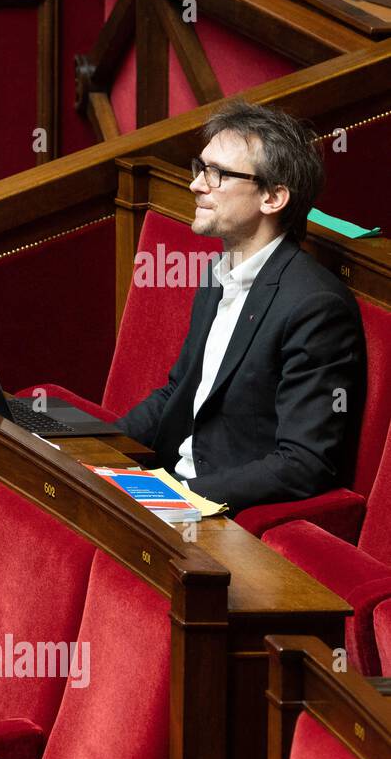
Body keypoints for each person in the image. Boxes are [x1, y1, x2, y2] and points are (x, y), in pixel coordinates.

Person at [116, 99, 364, 514]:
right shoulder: (219, 271)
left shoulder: (316, 306)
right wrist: (92, 444)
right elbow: (179, 393)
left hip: (223, 516)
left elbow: (304, 463)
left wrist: (181, 497)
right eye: (200, 168)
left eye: (216, 174)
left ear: (272, 198)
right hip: (174, 490)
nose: (196, 184)